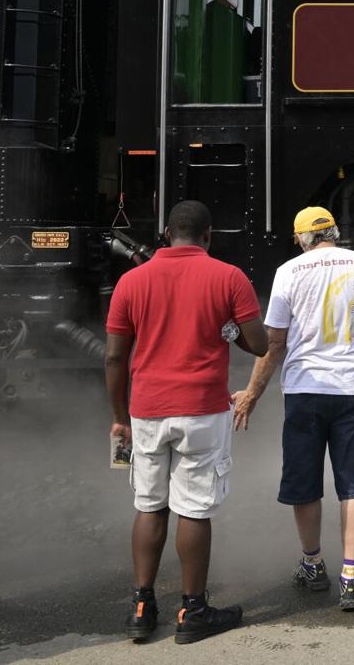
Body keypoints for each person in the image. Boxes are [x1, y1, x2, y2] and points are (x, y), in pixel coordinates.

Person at [231, 207, 354, 612]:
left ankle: (313, 564)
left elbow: (274, 342)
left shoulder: (289, 273)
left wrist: (252, 393)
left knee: (305, 480)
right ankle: (352, 576)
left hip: (304, 391)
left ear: (301, 239)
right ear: (333, 232)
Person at [105, 200, 266, 644]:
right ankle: (193, 611)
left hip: (147, 410)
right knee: (194, 508)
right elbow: (259, 343)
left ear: (165, 233)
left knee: (149, 504)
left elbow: (116, 357)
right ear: (208, 235)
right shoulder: (229, 277)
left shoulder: (131, 282)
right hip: (202, 410)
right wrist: (227, 329)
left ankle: (142, 607)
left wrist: (120, 419)